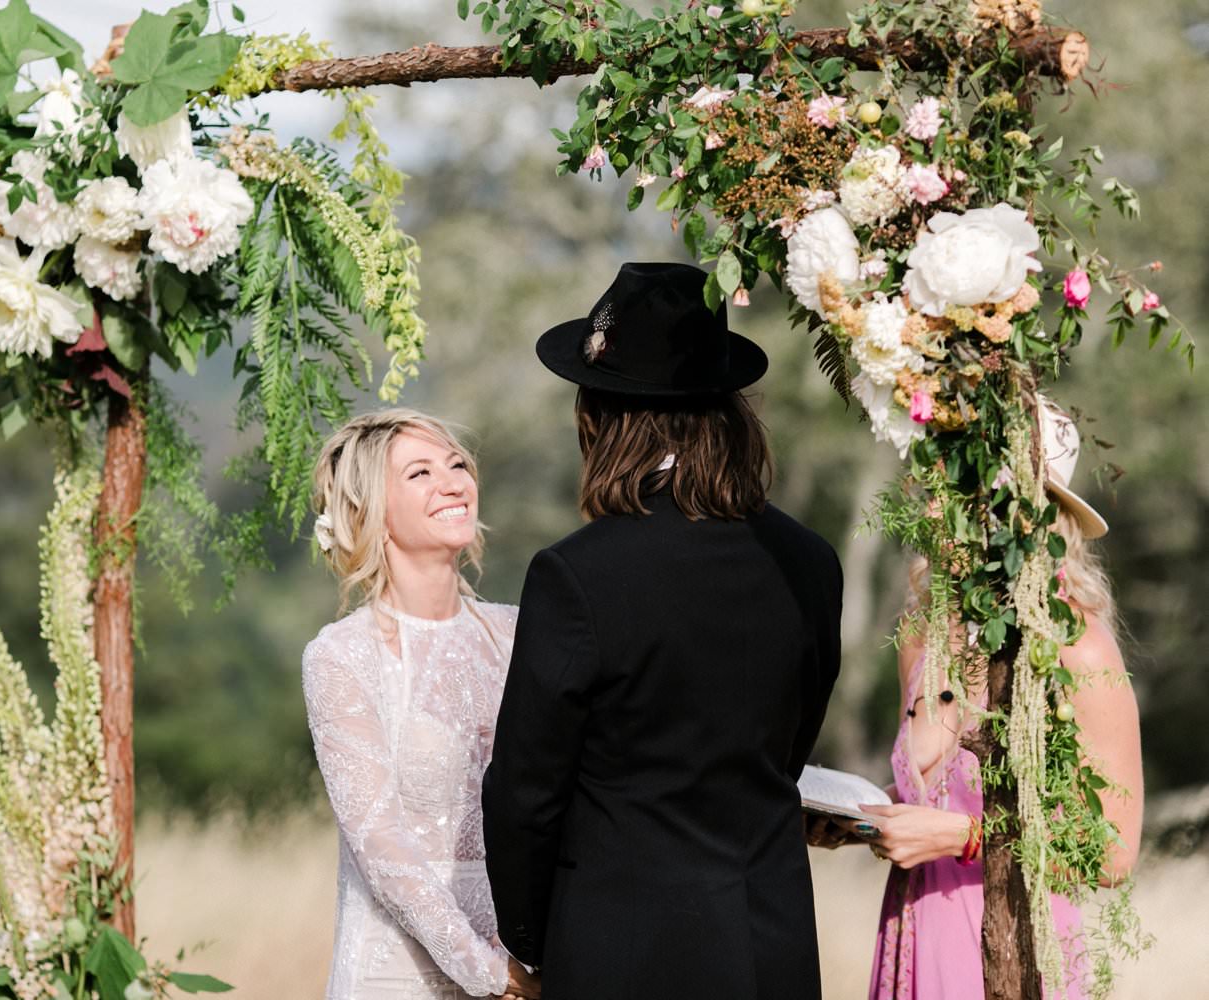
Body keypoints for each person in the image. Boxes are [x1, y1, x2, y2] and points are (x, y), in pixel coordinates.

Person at [482, 262, 844, 999]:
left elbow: (527, 790)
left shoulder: (577, 575)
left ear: (602, 418)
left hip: (622, 948)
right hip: (770, 940)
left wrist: (529, 937)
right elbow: (788, 747)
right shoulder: (812, 561)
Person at [810, 397, 1144, 1000]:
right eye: (940, 484)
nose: (935, 504)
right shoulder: (920, 632)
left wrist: (962, 837)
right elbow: (935, 791)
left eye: (964, 488)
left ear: (1026, 513)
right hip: (911, 941)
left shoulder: (1078, 651)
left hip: (1014, 949)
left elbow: (1113, 856)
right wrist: (859, 819)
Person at [301, 409, 540, 1000]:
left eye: (458, 465)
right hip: (399, 974)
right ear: (371, 510)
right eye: (421, 473)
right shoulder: (342, 656)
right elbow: (381, 845)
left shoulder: (519, 635)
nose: (453, 482)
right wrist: (485, 971)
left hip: (527, 966)